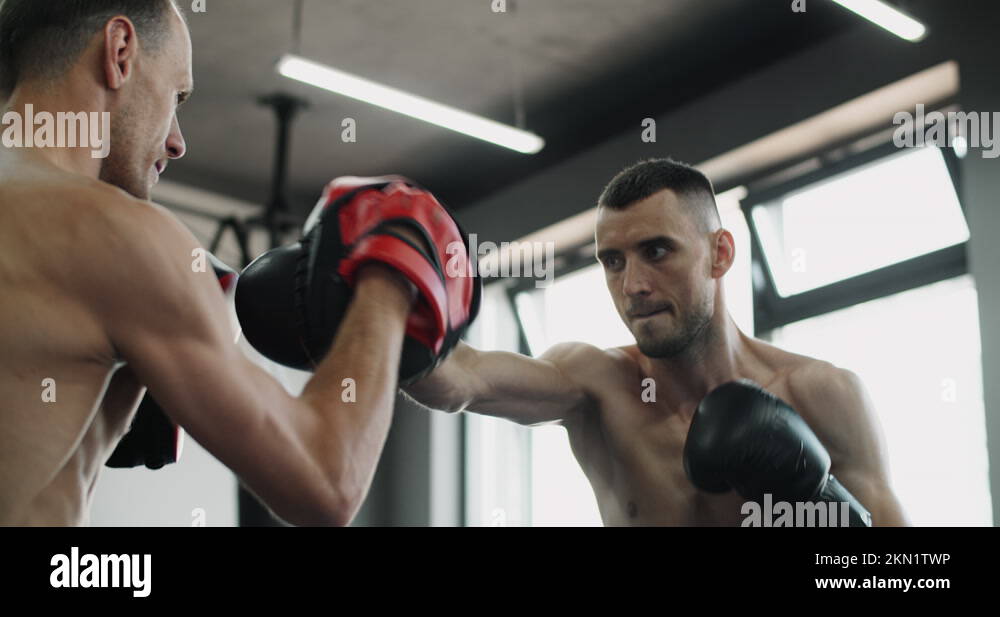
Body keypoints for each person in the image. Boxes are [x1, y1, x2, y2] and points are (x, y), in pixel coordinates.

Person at [0, 0, 474, 526]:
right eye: (176, 96)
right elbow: (326, 483)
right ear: (120, 51)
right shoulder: (116, 237)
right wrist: (391, 272)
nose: (177, 142)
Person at [406, 158, 909, 526]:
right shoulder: (595, 385)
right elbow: (458, 380)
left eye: (657, 251)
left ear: (720, 253)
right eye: (614, 261)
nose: (633, 286)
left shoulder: (822, 393)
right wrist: (370, 313)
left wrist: (826, 509)